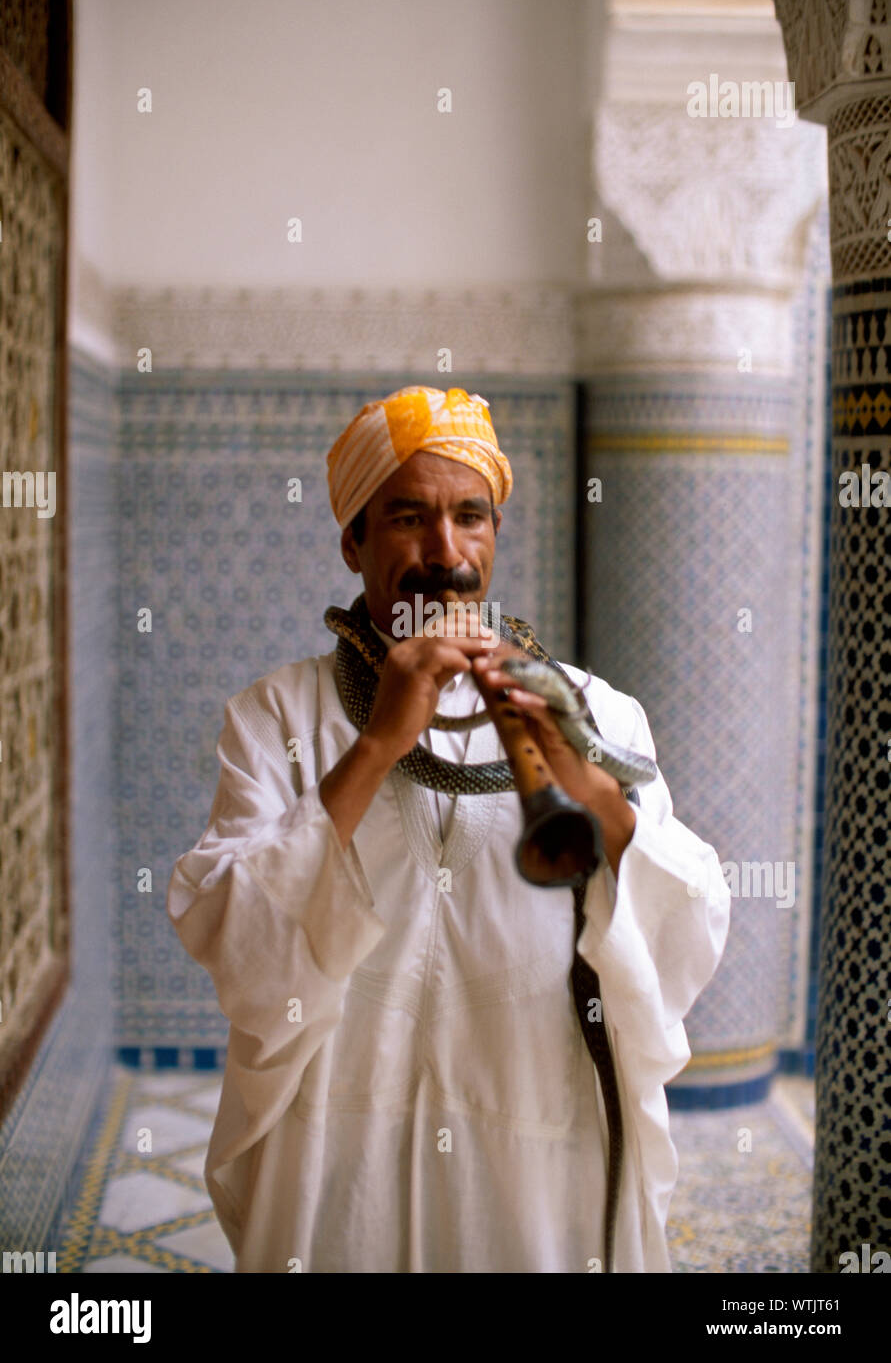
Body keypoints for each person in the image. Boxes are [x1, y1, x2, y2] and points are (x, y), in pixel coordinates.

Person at [166, 385, 731, 1273]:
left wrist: (594, 794)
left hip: (538, 1133)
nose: (445, 552)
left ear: (495, 534)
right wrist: (380, 742)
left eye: (471, 517)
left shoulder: (596, 711)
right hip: (335, 1148)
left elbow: (690, 910)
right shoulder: (275, 714)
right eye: (407, 519)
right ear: (353, 540)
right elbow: (233, 930)